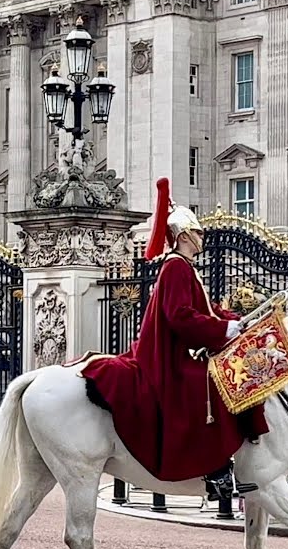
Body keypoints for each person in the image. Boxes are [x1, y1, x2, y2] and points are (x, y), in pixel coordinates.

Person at [80, 178, 268, 500]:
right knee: (212, 382)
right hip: (168, 357)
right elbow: (180, 316)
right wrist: (222, 331)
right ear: (183, 236)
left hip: (181, 350)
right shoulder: (176, 268)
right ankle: (215, 468)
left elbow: (205, 310)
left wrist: (236, 322)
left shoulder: (185, 267)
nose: (202, 236)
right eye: (197, 232)